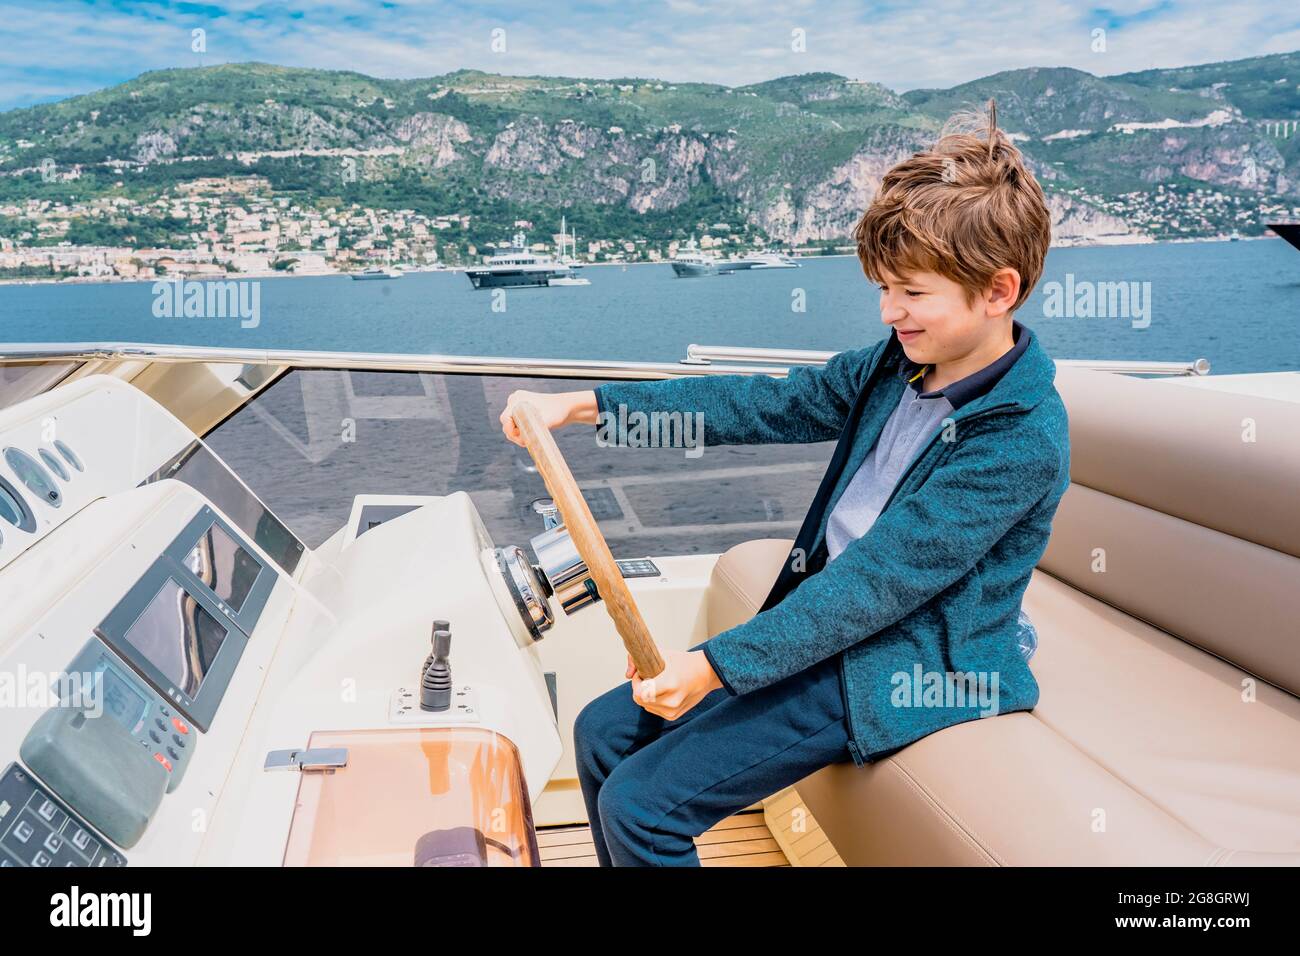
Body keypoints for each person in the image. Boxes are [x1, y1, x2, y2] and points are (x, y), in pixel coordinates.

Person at [499, 101, 1070, 866]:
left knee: (640, 809)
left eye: (911, 292)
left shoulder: (1020, 435)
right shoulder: (899, 366)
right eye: (882, 288)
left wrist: (710, 667)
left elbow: (877, 582)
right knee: (602, 733)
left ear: (998, 291)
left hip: (905, 662)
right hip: (832, 624)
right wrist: (589, 406)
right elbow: (762, 404)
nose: (888, 310)